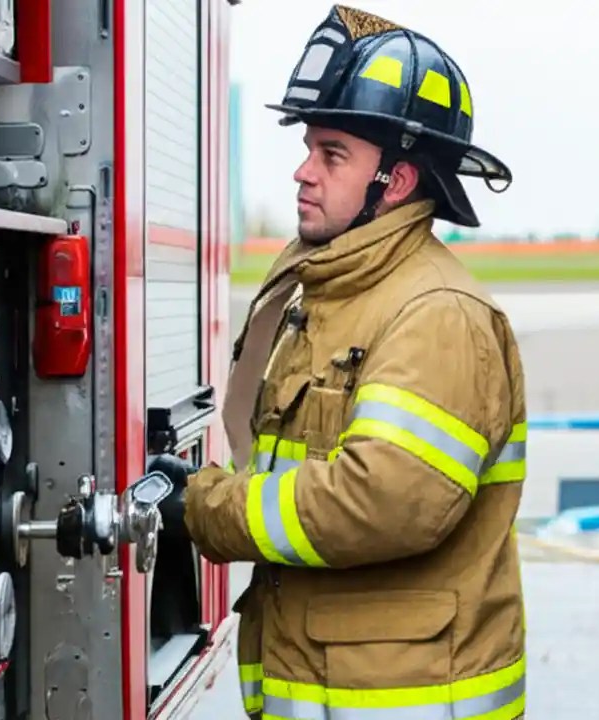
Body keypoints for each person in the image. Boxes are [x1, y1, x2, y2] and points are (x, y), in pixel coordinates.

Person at [180, 5, 528, 719]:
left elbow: (382, 504)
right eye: (309, 148)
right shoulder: (334, 296)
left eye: (332, 154)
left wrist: (212, 508)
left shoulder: (438, 315)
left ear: (394, 182)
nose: (303, 173)